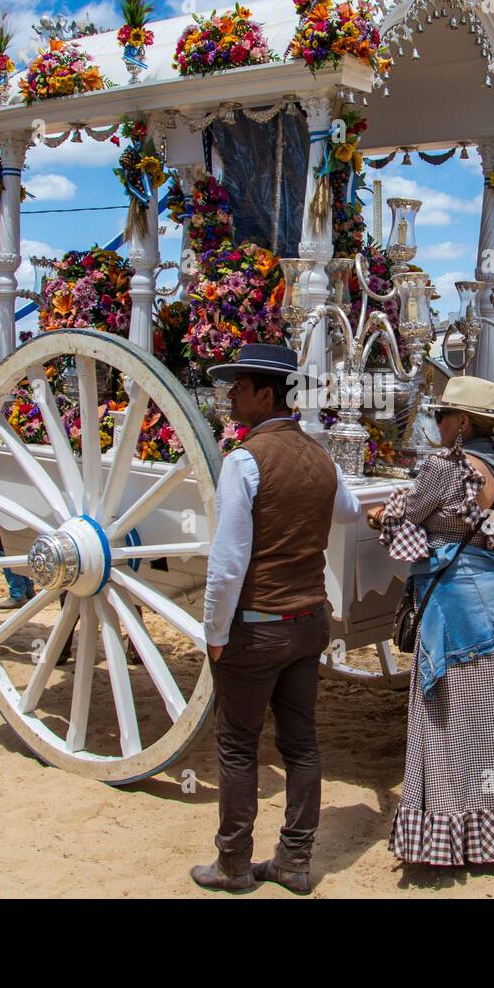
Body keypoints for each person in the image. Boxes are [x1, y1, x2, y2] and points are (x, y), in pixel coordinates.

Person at [374, 375, 494, 864]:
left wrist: (380, 517)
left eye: (441, 415)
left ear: (463, 422)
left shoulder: (447, 467)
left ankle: (458, 834)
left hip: (459, 610)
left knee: (455, 720)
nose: (435, 423)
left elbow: (408, 519)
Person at [191, 344, 360, 895]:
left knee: (237, 746)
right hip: (308, 618)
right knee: (301, 744)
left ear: (266, 393)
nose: (232, 396)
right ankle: (294, 859)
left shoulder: (246, 460)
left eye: (239, 387)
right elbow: (349, 512)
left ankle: (234, 863)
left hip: (258, 623)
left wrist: (215, 634)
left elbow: (227, 563)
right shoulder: (320, 456)